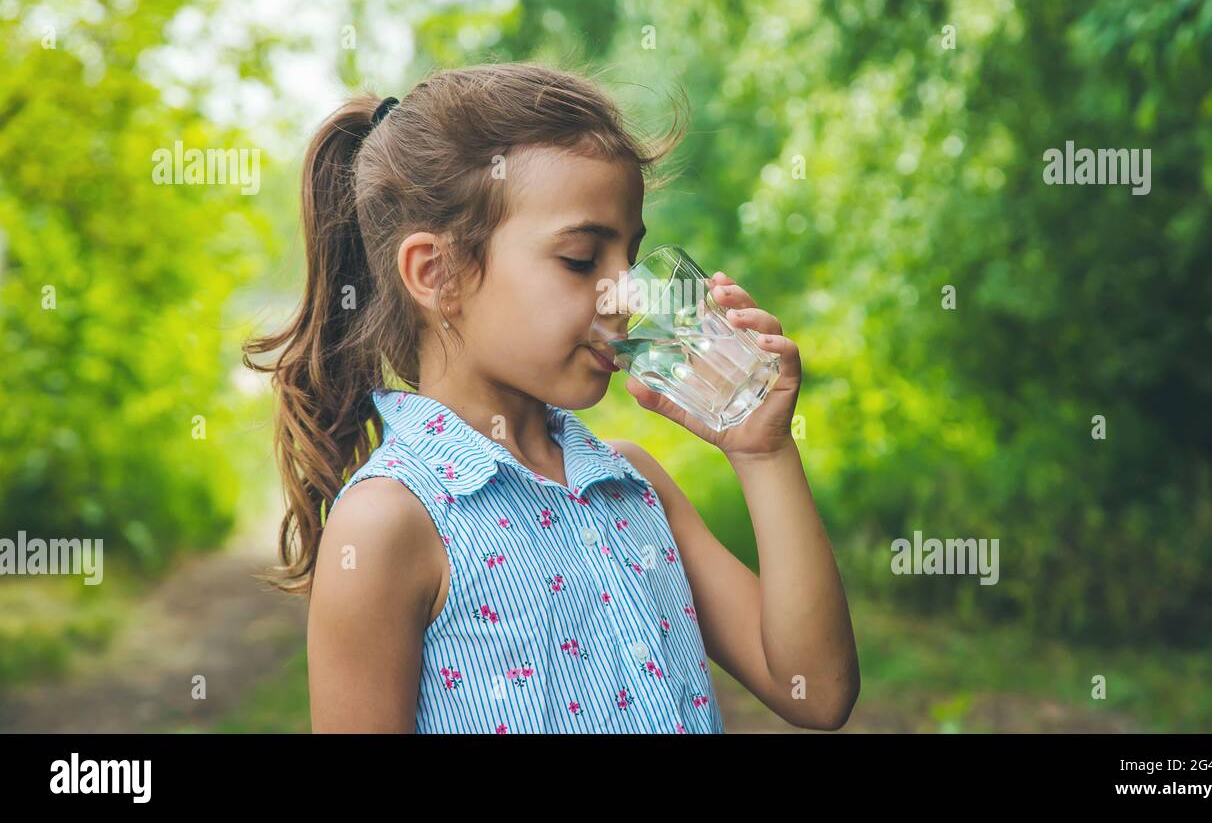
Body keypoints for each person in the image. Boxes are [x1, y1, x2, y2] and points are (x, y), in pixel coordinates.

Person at [243, 62, 858, 733]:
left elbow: (817, 691)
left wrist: (764, 453)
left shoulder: (633, 485)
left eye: (631, 255)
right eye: (581, 259)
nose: (626, 294)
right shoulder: (391, 525)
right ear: (436, 273)